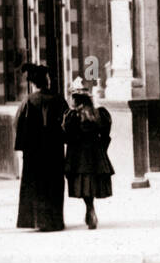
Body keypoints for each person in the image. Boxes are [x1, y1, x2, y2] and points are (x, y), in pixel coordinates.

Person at [14, 63, 67, 232]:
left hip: (34, 152)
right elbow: (68, 122)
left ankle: (38, 221)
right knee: (54, 183)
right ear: (47, 81)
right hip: (54, 150)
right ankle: (55, 221)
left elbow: (18, 124)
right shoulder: (58, 100)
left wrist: (24, 145)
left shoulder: (29, 101)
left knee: (36, 184)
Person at [63, 78, 114, 229]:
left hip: (78, 154)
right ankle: (90, 209)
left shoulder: (72, 116)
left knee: (83, 182)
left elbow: (66, 136)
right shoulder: (99, 113)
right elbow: (106, 134)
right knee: (91, 180)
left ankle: (89, 208)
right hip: (94, 152)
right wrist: (101, 149)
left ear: (76, 99)